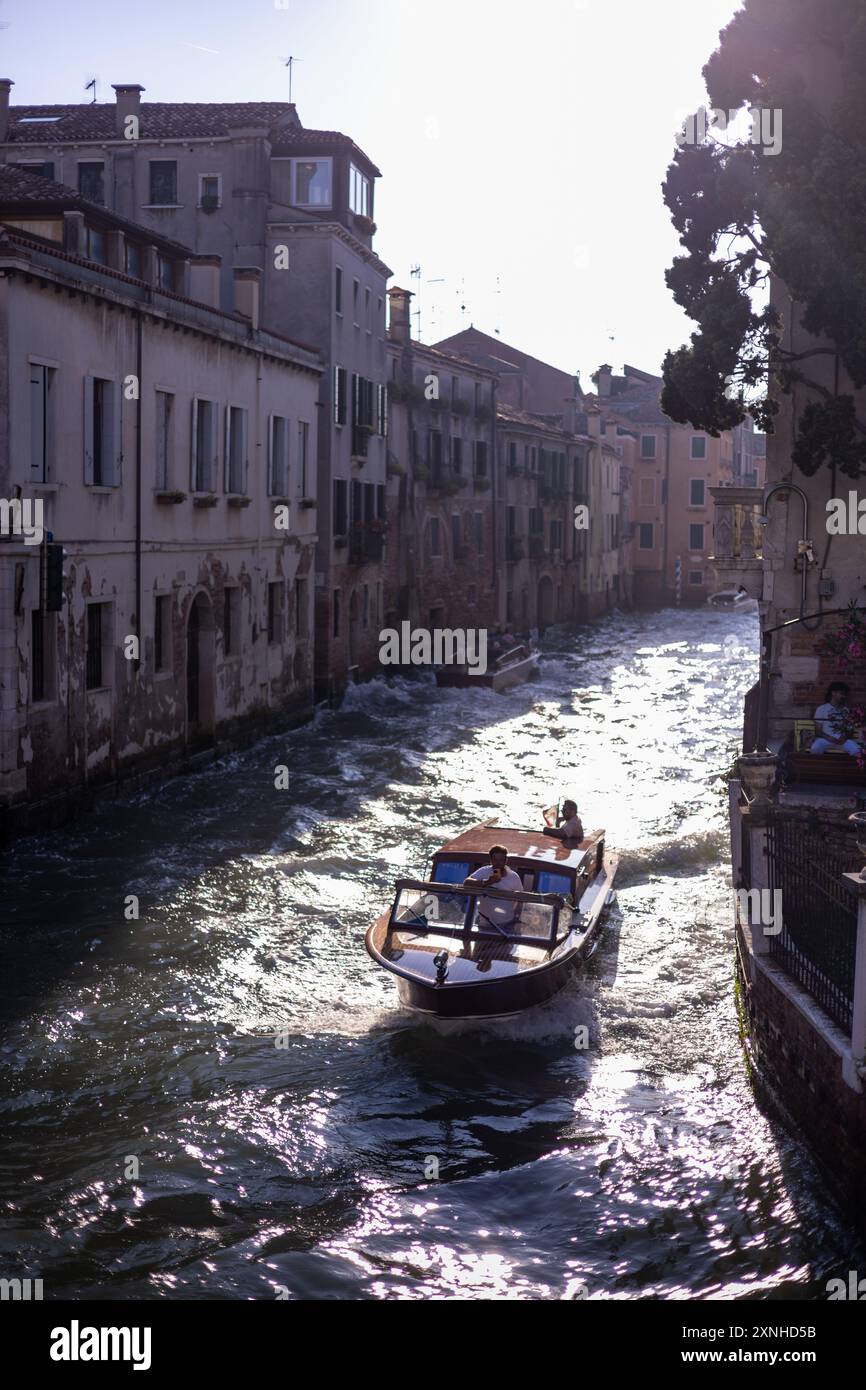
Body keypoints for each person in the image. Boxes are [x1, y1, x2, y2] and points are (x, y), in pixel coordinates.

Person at [464, 845, 523, 931]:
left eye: (501, 860)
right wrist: (487, 882)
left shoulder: (513, 877)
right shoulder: (484, 872)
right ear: (491, 860)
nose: (498, 863)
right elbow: (466, 883)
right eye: (495, 860)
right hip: (484, 924)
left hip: (506, 925)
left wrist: (516, 917)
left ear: (506, 860)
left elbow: (521, 898)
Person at [811, 682, 862, 756]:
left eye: (844, 694)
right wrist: (829, 738)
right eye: (841, 693)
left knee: (857, 751)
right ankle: (818, 767)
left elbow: (849, 729)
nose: (843, 696)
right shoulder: (822, 709)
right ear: (833, 693)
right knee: (815, 749)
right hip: (826, 740)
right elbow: (818, 730)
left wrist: (845, 736)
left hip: (842, 741)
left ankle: (850, 767)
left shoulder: (846, 711)